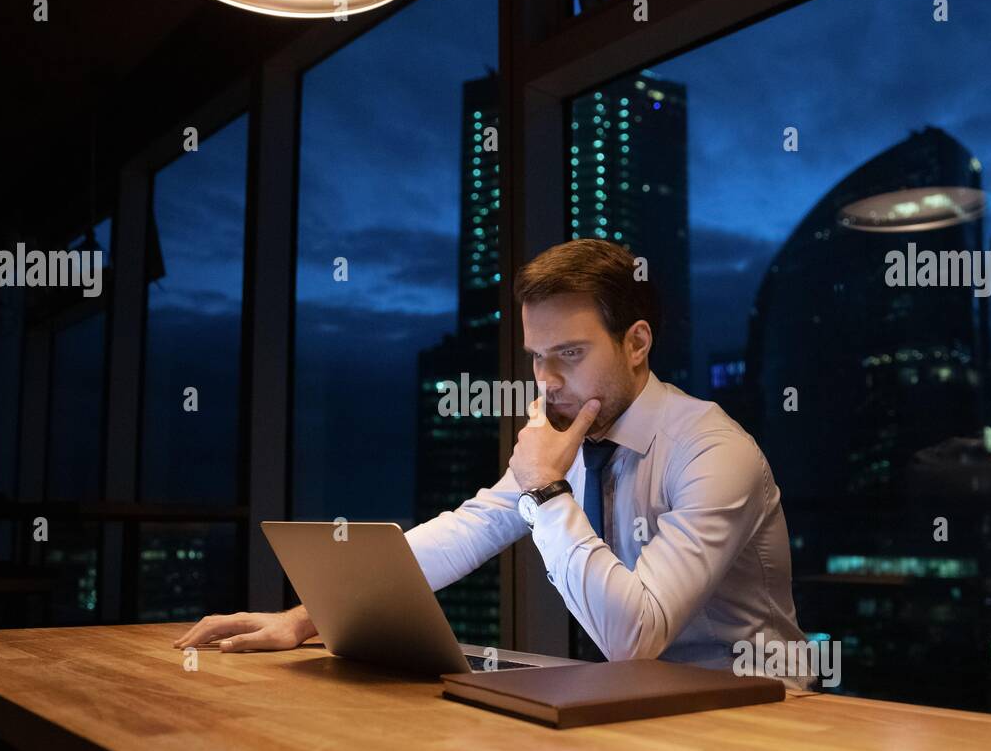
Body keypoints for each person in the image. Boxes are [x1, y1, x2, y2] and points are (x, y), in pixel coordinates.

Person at [175, 238, 814, 686]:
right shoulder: (570, 435)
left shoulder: (712, 448)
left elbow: (634, 637)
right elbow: (471, 527)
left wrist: (543, 487)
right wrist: (303, 619)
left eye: (569, 353)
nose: (546, 380)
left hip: (762, 714)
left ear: (637, 342)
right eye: (537, 356)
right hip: (645, 708)